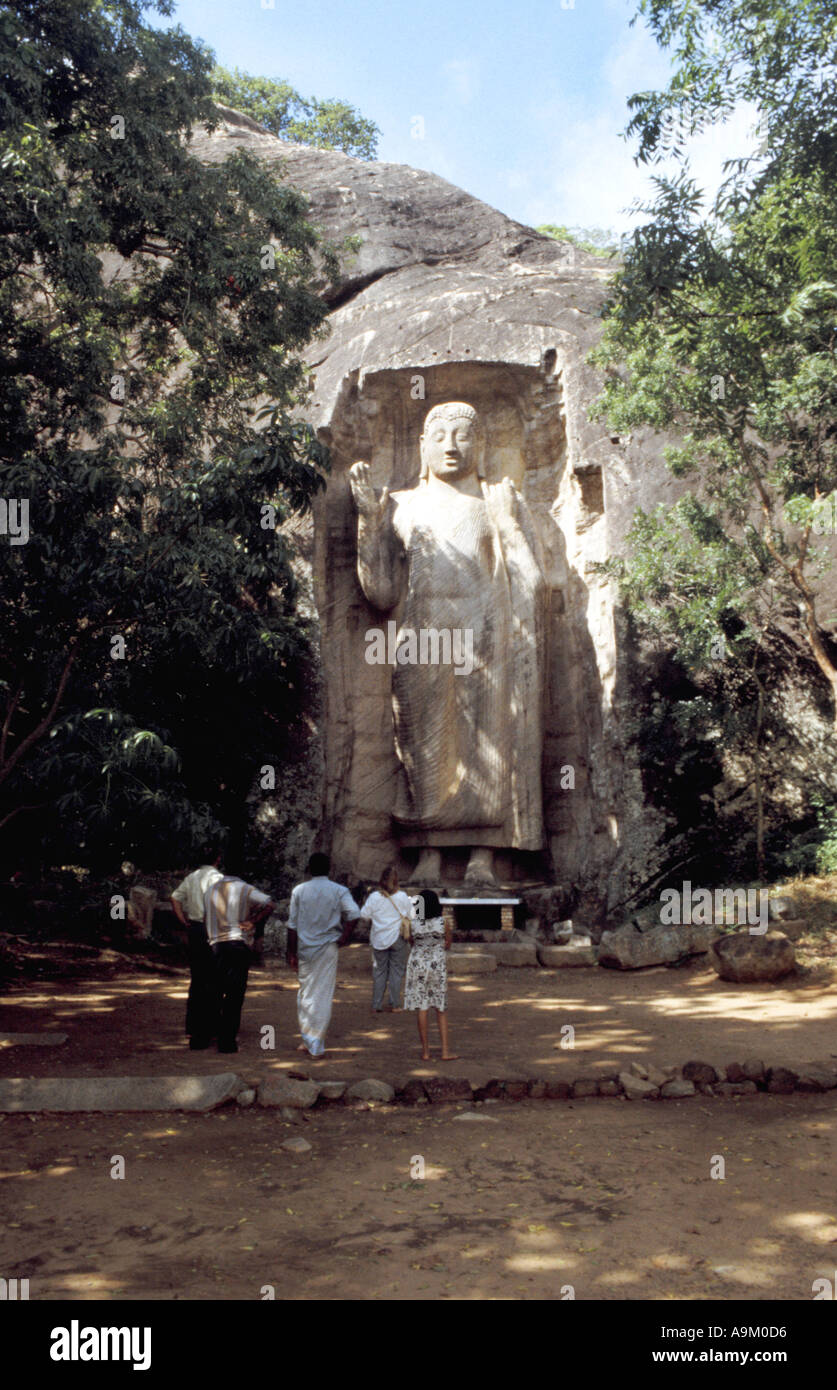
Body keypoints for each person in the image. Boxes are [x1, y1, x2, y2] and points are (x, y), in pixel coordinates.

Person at [349, 400, 547, 888]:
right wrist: (370, 523)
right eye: (439, 437)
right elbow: (381, 593)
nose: (451, 446)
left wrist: (507, 522)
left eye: (463, 436)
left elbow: (530, 581)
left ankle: (483, 857)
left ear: (480, 446)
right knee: (421, 745)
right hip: (422, 637)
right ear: (422, 447)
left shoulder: (495, 501)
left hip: (485, 635)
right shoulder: (402, 505)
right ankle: (428, 856)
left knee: (487, 743)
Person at [288, 852, 361, 1058]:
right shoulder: (339, 891)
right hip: (328, 946)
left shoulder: (299, 891)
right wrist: (344, 936)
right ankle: (313, 1041)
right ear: (329, 868)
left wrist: (290, 951)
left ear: (309, 868)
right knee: (321, 994)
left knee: (306, 993)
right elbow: (354, 914)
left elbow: (292, 925)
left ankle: (311, 1041)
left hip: (305, 947)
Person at [204, 875, 275, 1053]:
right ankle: (227, 1042)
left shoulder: (210, 891)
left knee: (215, 991)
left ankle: (208, 1035)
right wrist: (253, 921)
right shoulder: (244, 888)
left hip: (216, 945)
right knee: (235, 995)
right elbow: (270, 903)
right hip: (237, 944)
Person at [170, 852, 225, 1050]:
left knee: (198, 978)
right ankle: (209, 1030)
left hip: (195, 929)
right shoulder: (217, 879)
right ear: (217, 859)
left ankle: (194, 1027)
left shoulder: (192, 877)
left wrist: (182, 919)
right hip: (212, 930)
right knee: (214, 980)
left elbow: (175, 898)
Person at [404, 889, 458, 1061]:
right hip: (436, 966)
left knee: (423, 1007)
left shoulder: (413, 923)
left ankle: (425, 1052)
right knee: (441, 1008)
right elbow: (448, 944)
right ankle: (445, 1051)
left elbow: (411, 941)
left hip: (417, 965)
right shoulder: (444, 923)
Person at [360, 865, 412, 1013]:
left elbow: (363, 914)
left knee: (379, 972)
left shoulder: (374, 897)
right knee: (396, 971)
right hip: (398, 938)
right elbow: (411, 915)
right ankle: (394, 1004)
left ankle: (376, 1005)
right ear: (396, 881)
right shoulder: (402, 897)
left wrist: (376, 918)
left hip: (378, 939)